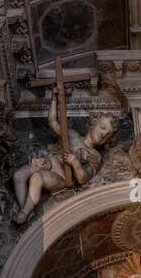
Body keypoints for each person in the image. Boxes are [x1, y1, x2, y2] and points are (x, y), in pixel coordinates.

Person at [12, 94, 118, 225]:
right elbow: (53, 122)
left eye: (107, 135)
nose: (103, 134)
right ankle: (27, 208)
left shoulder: (95, 156)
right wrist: (54, 100)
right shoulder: (72, 134)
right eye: (103, 127)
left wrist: (75, 164)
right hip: (48, 162)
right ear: (93, 122)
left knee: (36, 178)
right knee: (18, 175)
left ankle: (24, 212)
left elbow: (83, 178)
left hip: (61, 175)